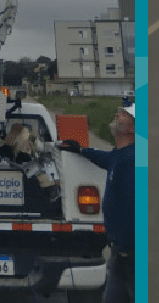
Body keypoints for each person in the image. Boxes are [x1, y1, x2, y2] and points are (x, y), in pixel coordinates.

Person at [59, 102, 135, 302]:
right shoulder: (120, 155)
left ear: (134, 128)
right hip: (119, 255)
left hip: (132, 256)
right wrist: (81, 150)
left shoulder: (132, 160)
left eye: (125, 115)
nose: (118, 115)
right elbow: (105, 158)